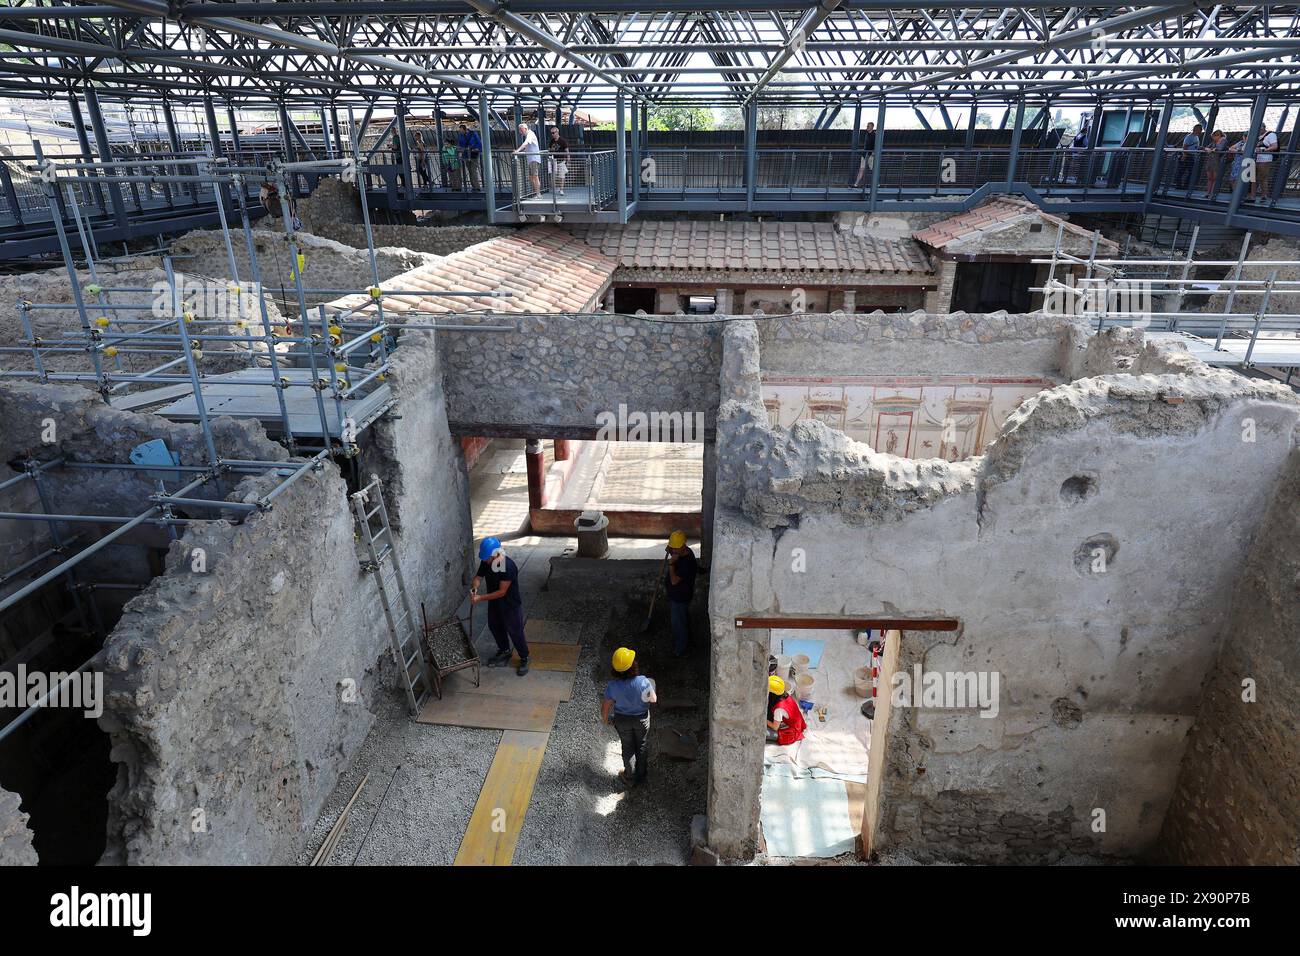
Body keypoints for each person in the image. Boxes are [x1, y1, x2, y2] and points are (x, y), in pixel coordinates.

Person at [470, 536, 530, 676]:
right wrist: (474, 588)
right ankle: (504, 650)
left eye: (486, 558)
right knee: (495, 626)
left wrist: (480, 598)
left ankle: (524, 657)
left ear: (496, 554)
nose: (484, 561)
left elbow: (502, 592)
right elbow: (478, 578)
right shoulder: (487, 560)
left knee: (515, 631)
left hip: (510, 604)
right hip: (495, 602)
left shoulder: (508, 567)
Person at [601, 647, 656, 787]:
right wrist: (651, 686)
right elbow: (653, 699)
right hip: (641, 719)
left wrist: (606, 719)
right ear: (633, 665)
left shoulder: (612, 686)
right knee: (641, 745)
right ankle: (642, 776)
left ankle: (629, 776)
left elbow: (606, 706)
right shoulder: (643, 681)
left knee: (628, 747)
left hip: (622, 720)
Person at [663, 530, 697, 657]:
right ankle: (689, 638)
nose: (674, 551)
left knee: (678, 624)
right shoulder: (682, 550)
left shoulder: (686, 563)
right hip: (677, 596)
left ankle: (680, 649)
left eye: (676, 549)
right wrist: (670, 549)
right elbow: (673, 549)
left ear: (683, 546)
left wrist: (671, 564)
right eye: (673, 548)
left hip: (680, 598)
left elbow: (674, 581)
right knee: (683, 618)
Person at [766, 676, 806, 746]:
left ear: (772, 694)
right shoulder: (785, 695)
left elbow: (775, 727)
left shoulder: (778, 709)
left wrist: (764, 720)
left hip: (790, 732)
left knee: (764, 732)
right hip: (795, 723)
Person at [513, 123, 541, 198]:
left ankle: (538, 194)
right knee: (531, 177)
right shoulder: (528, 135)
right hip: (531, 159)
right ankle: (536, 192)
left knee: (535, 176)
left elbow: (525, 144)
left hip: (534, 159)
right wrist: (519, 152)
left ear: (525, 128)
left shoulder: (530, 134)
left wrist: (517, 151)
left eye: (521, 130)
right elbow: (527, 148)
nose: (520, 132)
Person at [1254, 124, 1279, 202]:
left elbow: (1275, 146)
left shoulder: (1271, 135)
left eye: (1260, 128)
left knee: (1263, 177)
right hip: (1256, 159)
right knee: (1257, 177)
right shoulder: (1257, 136)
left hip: (1265, 158)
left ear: (1264, 128)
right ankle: (1258, 194)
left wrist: (1263, 150)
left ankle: (1264, 195)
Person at [457, 123, 482, 191]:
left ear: (465, 130)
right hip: (466, 155)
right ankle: (474, 186)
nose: (460, 132)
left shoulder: (473, 133)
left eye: (461, 130)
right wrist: (460, 150)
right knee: (470, 171)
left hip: (474, 154)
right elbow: (460, 144)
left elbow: (479, 143)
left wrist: (477, 149)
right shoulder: (461, 135)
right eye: (460, 130)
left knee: (473, 171)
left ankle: (477, 187)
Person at [1176, 124, 1202, 190]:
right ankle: (1180, 185)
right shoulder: (1189, 137)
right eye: (1200, 129)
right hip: (1187, 155)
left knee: (1188, 171)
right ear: (1196, 129)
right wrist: (1184, 155)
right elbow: (1185, 146)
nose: (1201, 131)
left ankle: (1184, 186)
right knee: (1182, 171)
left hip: (1191, 155)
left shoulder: (1196, 137)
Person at [1203, 130, 1228, 197]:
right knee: (1209, 178)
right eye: (1214, 135)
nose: (1215, 137)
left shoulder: (1223, 141)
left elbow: (1220, 148)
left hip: (1218, 161)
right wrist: (1207, 149)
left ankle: (1212, 193)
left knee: (1215, 178)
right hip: (1211, 160)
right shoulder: (1213, 142)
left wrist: (1213, 149)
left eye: (1217, 135)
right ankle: (1208, 193)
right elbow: (1205, 147)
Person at [548, 126, 570, 196]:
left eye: (553, 133)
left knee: (561, 176)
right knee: (554, 176)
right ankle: (556, 188)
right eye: (551, 133)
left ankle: (561, 190)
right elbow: (549, 150)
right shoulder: (552, 141)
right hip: (553, 161)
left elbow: (567, 151)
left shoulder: (563, 141)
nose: (552, 134)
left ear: (557, 132)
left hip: (561, 161)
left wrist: (568, 160)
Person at [853, 121, 877, 188]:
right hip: (865, 154)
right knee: (861, 169)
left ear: (872, 127)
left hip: (871, 155)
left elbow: (875, 145)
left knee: (873, 170)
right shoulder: (867, 134)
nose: (867, 127)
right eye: (867, 126)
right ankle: (856, 184)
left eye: (868, 126)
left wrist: (873, 153)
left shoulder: (874, 135)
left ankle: (877, 183)